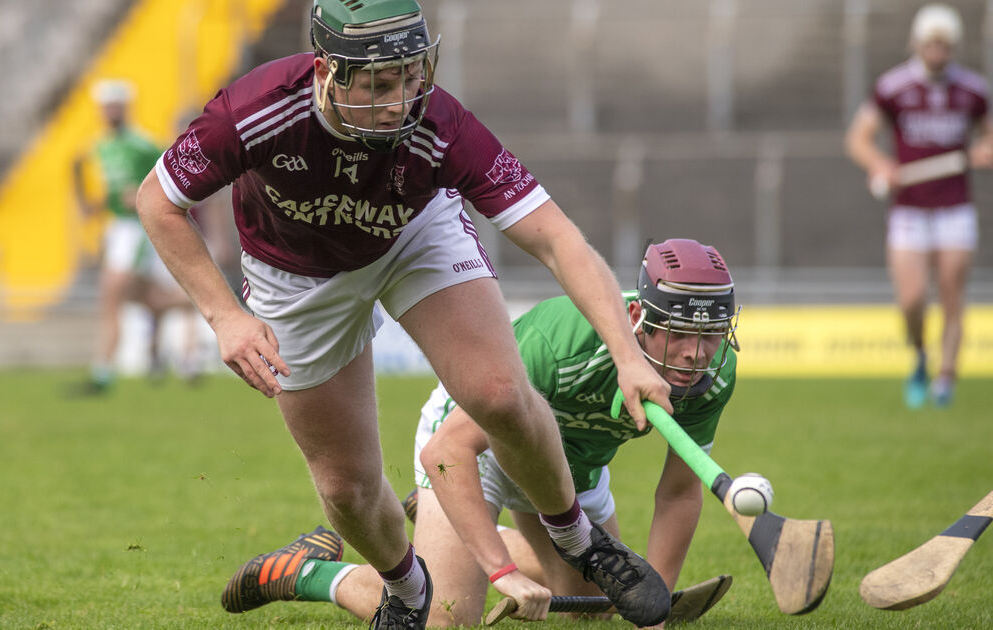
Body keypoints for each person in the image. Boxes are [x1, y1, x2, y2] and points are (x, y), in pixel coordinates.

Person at [136, 1, 672, 627]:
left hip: (413, 237)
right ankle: (405, 589)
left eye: (413, 76)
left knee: (498, 394)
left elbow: (556, 239)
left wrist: (629, 356)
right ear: (327, 70)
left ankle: (580, 540)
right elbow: (157, 201)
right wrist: (226, 316)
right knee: (345, 487)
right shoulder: (256, 110)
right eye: (379, 84)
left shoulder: (440, 123)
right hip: (293, 274)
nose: (400, 102)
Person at [220, 238, 740, 628]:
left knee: (595, 608)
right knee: (444, 617)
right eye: (678, 333)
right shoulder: (560, 346)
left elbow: (679, 490)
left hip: (569, 475)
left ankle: (450, 526)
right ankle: (304, 571)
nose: (694, 354)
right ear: (637, 317)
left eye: (711, 335)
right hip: (474, 452)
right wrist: (499, 571)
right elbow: (446, 450)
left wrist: (654, 602)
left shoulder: (710, 376)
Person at [845, 3, 993, 409]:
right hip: (909, 208)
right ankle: (921, 356)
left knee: (951, 296)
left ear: (955, 46)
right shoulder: (894, 87)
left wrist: (984, 149)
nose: (938, 51)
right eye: (931, 43)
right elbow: (857, 138)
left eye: (945, 44)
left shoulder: (973, 90)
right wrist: (881, 164)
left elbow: (989, 136)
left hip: (955, 207)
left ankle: (946, 379)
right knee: (912, 300)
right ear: (917, 43)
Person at [71, 79, 205, 393]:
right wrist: (92, 204)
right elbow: (112, 190)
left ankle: (101, 375)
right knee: (151, 301)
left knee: (111, 295)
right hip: (116, 229)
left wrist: (143, 198)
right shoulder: (102, 146)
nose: (111, 111)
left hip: (136, 230)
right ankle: (197, 300)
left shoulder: (142, 145)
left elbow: (166, 182)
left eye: (115, 106)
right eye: (107, 106)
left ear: (125, 108)